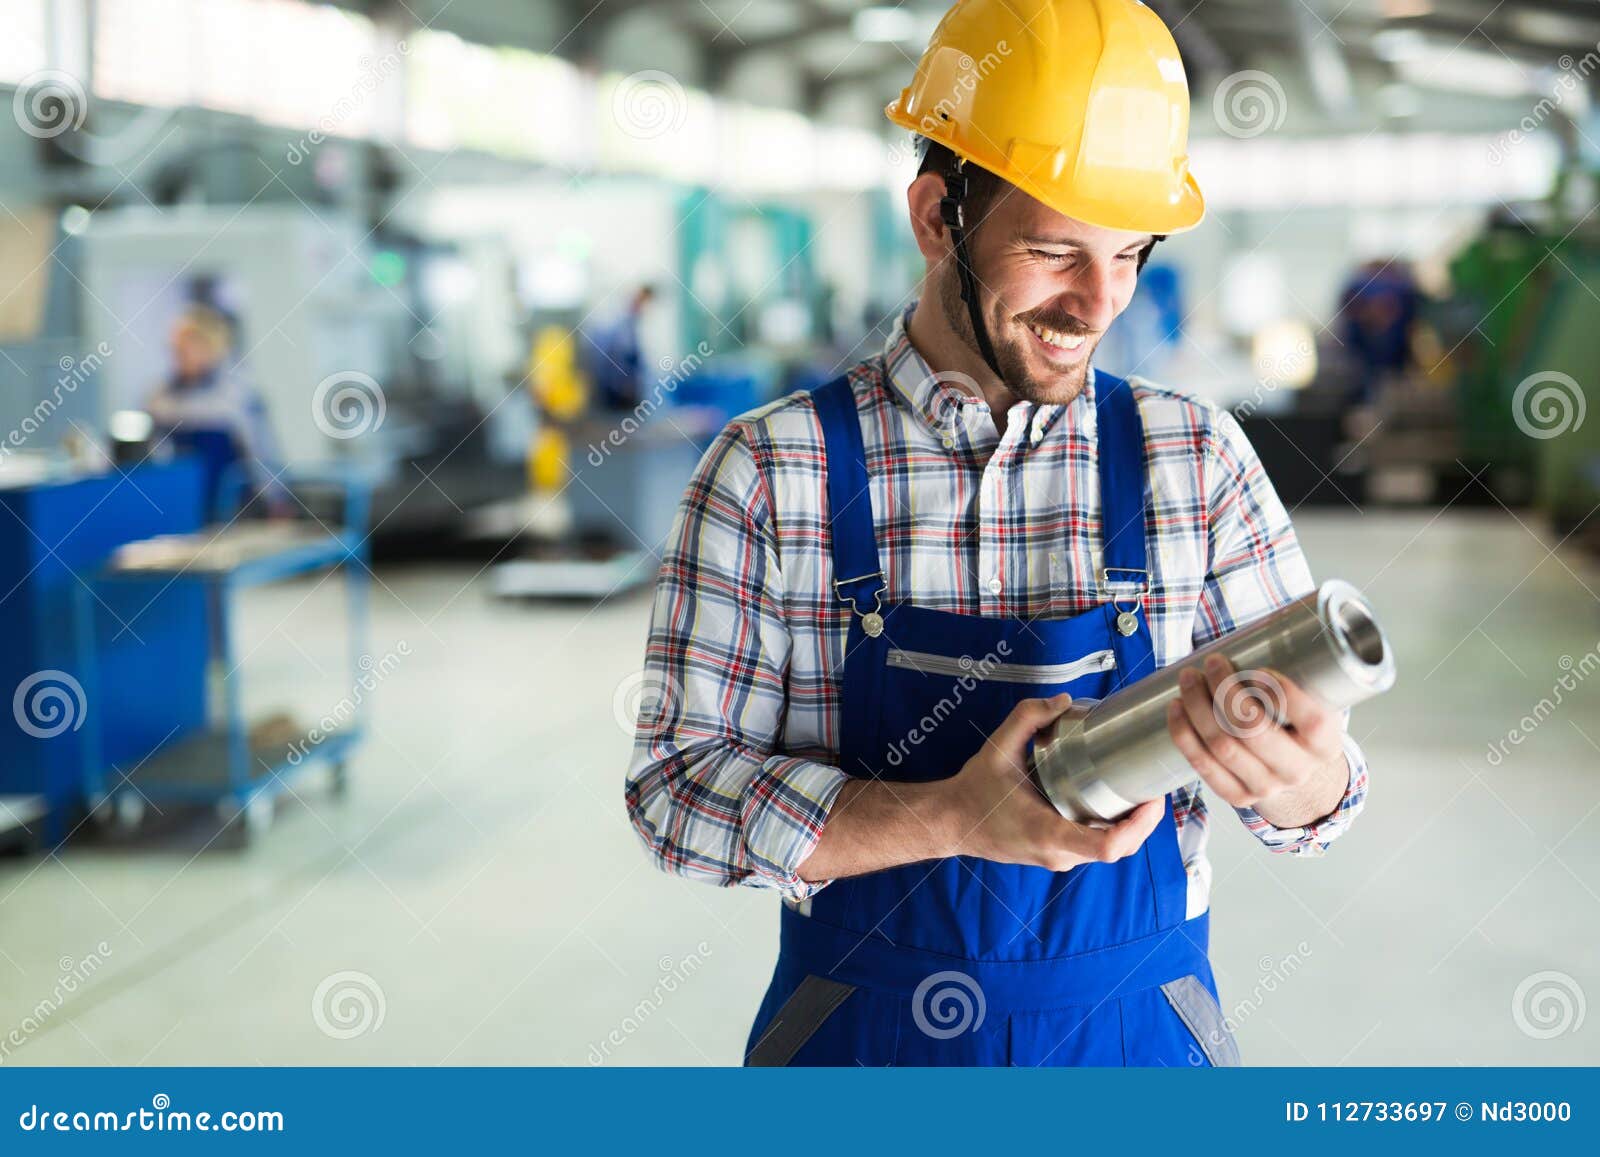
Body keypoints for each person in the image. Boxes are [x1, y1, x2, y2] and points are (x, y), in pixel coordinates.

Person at [625, 0, 1369, 1067]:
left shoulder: (1191, 460)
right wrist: (950, 815)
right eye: (1054, 251)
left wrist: (1297, 769)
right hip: (865, 1041)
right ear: (937, 215)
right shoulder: (772, 472)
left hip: (1134, 1042)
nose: (1097, 301)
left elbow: (1322, 807)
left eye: (1129, 255)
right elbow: (675, 793)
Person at [146, 304, 287, 519]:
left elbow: (262, 454)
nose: (176, 357)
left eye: (182, 350)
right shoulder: (160, 394)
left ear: (208, 346)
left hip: (234, 509)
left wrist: (276, 501)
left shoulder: (239, 393)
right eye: (174, 351)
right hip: (177, 506)